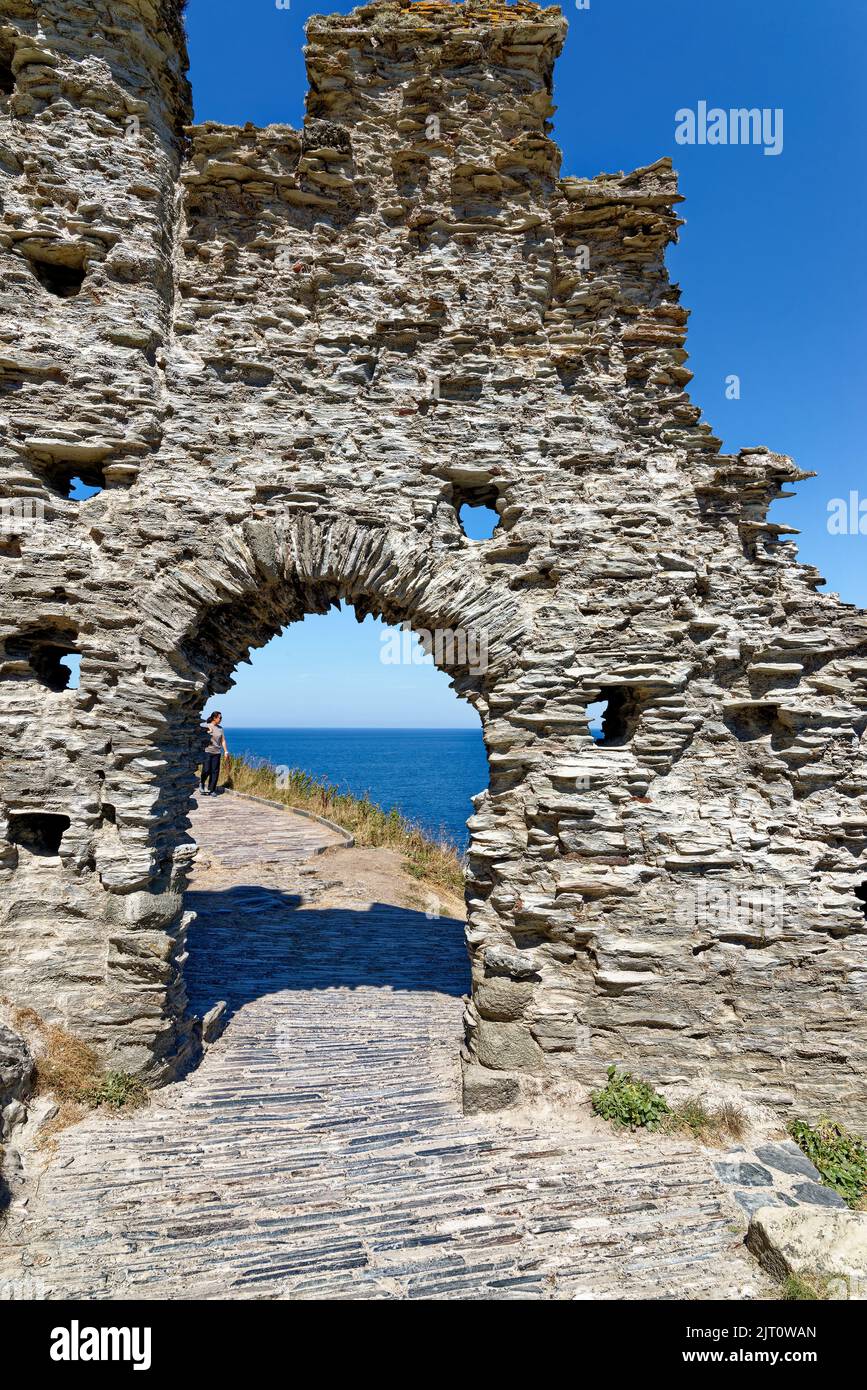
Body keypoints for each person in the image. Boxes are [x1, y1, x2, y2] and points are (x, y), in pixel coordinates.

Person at [200, 711, 228, 796]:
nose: (221, 719)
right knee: (206, 770)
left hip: (217, 752)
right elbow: (199, 729)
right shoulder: (206, 725)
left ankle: (212, 789)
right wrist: (208, 730)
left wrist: (226, 751)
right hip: (207, 751)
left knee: (215, 771)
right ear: (214, 718)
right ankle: (202, 782)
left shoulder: (220, 728)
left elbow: (223, 741)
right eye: (220, 718)